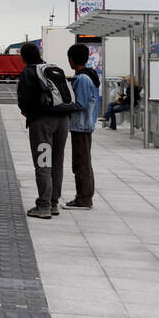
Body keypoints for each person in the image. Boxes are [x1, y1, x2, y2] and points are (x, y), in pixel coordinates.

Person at [16, 42, 71, 219]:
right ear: (39, 54)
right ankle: (54, 203)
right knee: (57, 161)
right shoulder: (53, 68)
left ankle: (43, 205)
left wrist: (28, 113)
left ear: (23, 57)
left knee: (43, 162)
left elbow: (23, 100)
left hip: (43, 121)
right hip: (63, 119)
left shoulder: (28, 72)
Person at [64, 44, 99, 209]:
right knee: (83, 162)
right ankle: (84, 197)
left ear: (71, 59)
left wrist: (64, 106)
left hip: (81, 125)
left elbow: (81, 103)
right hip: (84, 125)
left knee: (81, 163)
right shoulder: (89, 75)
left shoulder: (82, 79)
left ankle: (83, 199)